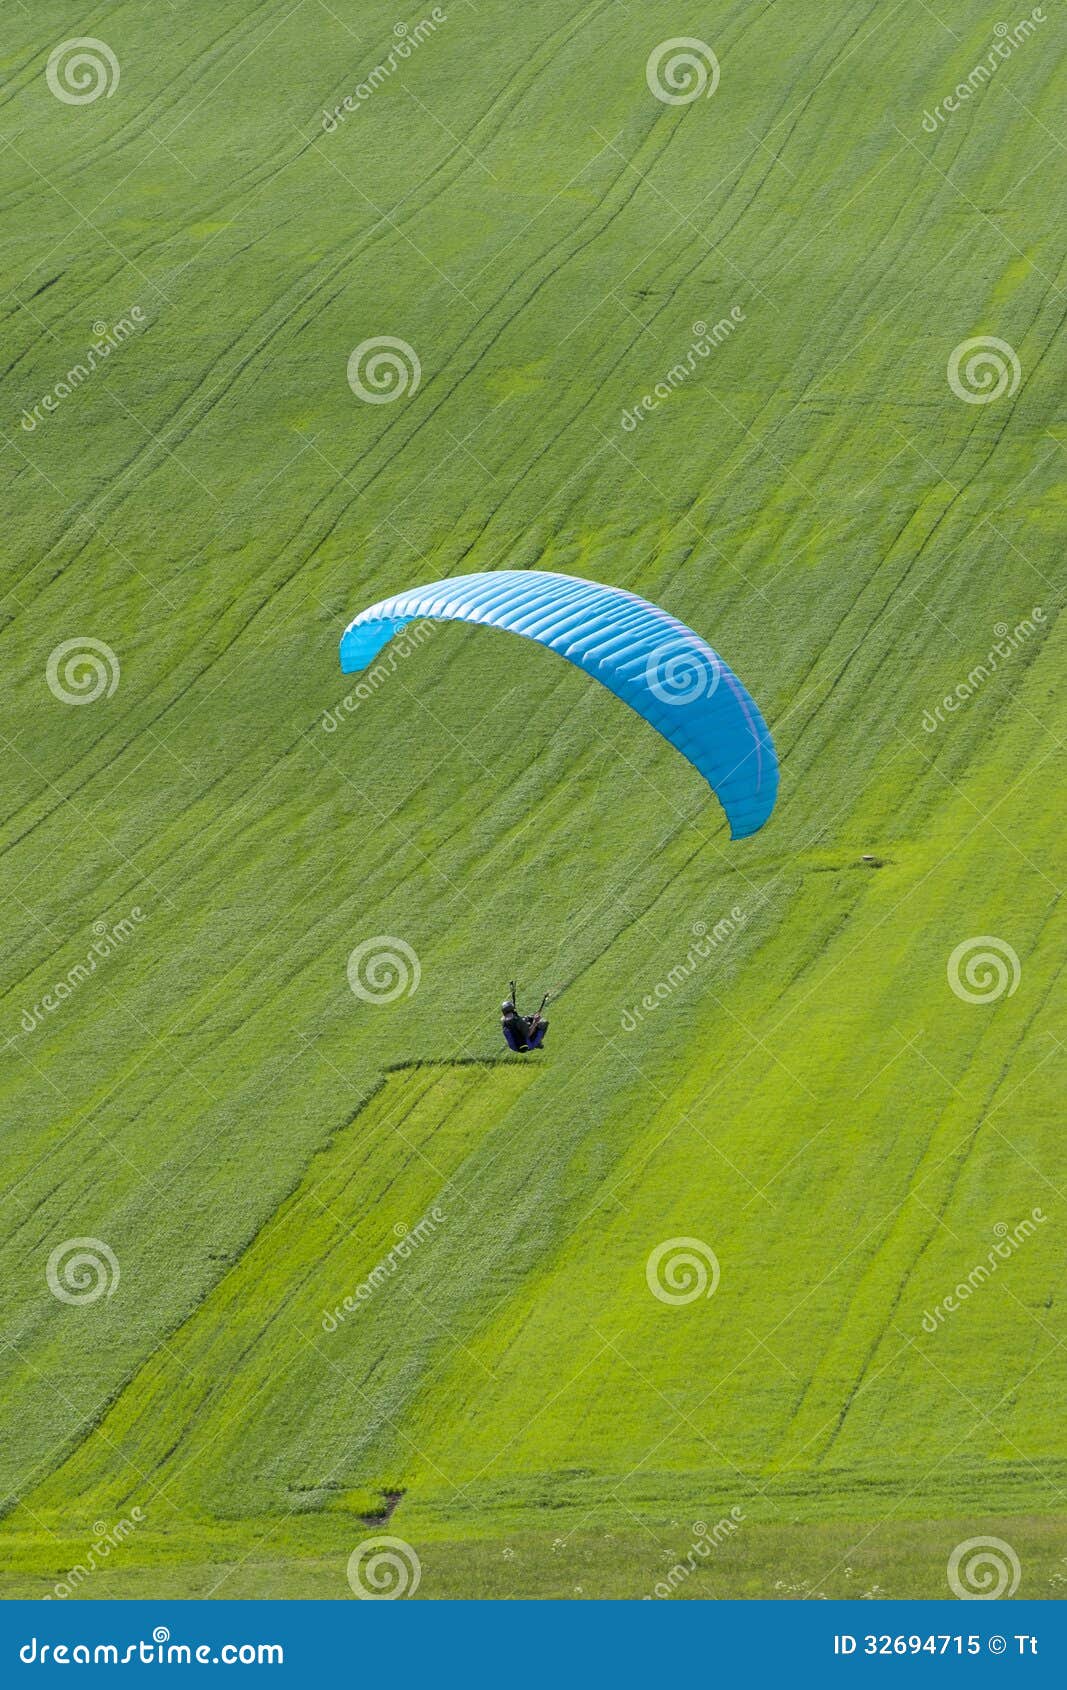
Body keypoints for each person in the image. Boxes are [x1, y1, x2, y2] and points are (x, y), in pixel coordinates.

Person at [501, 982, 549, 1051]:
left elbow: (514, 1018)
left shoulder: (503, 1020)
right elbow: (528, 1034)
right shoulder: (519, 1022)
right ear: (512, 1009)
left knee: (527, 1018)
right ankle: (537, 1043)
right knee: (543, 1023)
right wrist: (535, 1022)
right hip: (526, 1045)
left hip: (514, 1046)